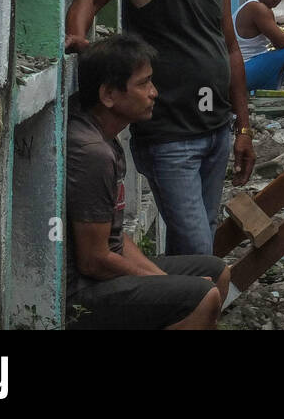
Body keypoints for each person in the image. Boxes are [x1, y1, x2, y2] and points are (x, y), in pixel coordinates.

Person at [65, 0, 255, 257]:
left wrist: (243, 127)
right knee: (198, 248)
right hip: (170, 135)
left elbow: (231, 48)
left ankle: (178, 310)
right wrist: (78, 42)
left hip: (215, 130)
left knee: (199, 238)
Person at [65, 34, 231, 329]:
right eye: (143, 84)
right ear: (108, 95)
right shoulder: (93, 153)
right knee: (203, 296)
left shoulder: (105, 136)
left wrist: (163, 281)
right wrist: (163, 283)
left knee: (216, 271)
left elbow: (113, 235)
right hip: (83, 293)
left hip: (103, 273)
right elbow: (93, 260)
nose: (154, 93)